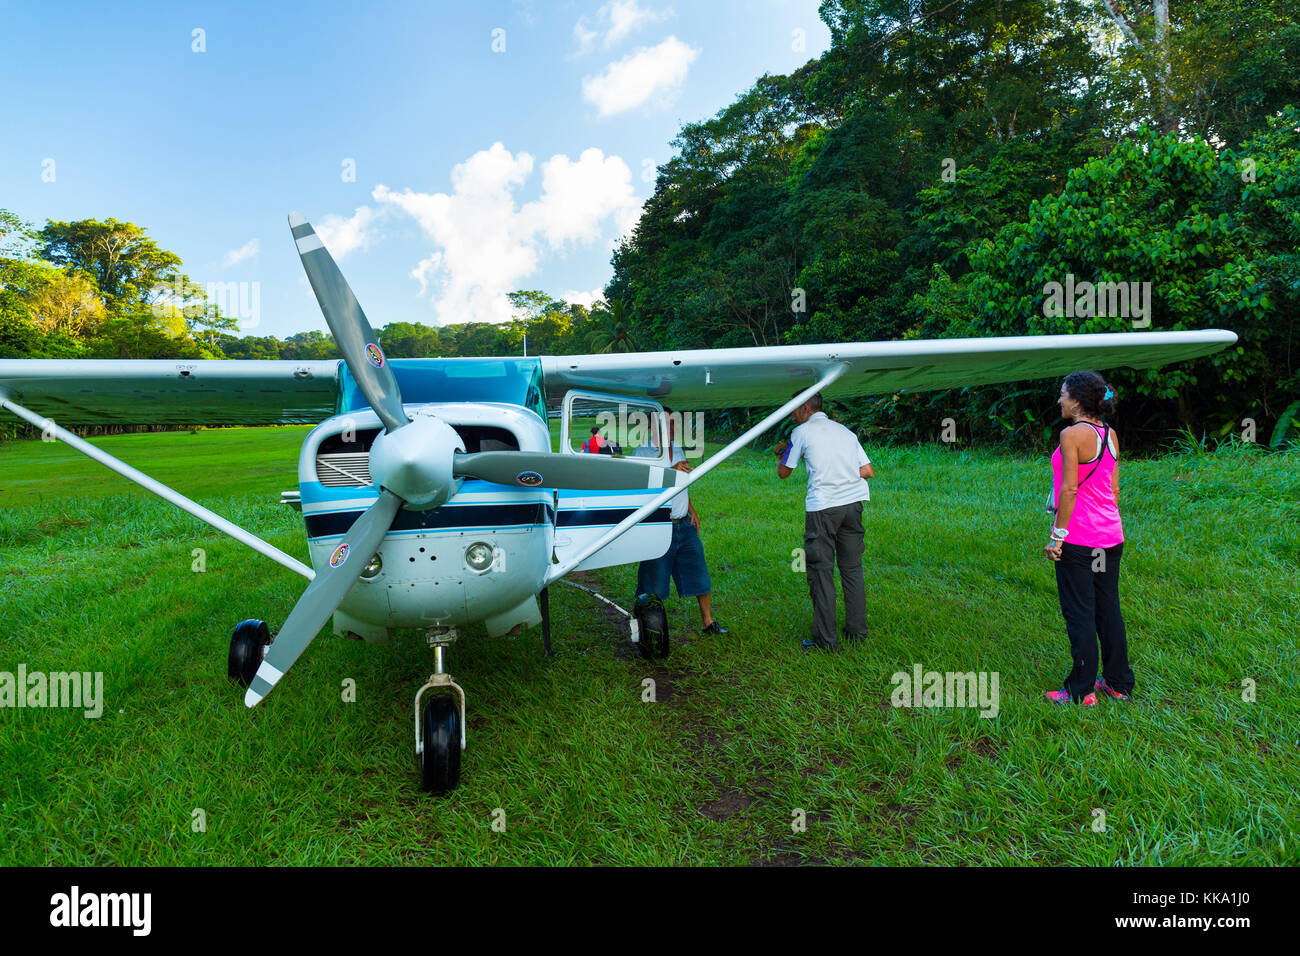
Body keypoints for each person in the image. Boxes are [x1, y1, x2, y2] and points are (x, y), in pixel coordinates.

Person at [1044, 370, 1135, 706]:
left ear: (1077, 401)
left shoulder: (1072, 435)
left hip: (1079, 540)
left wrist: (1058, 536)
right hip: (1109, 537)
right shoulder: (1109, 434)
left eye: (1063, 394)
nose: (1059, 400)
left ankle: (1081, 690)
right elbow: (1113, 489)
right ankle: (1119, 683)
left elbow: (1069, 488)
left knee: (1080, 611)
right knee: (1107, 608)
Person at [774, 390, 874, 652]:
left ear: (805, 408)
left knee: (821, 572)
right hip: (853, 506)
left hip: (823, 510)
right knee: (852, 569)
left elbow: (784, 472)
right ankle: (857, 632)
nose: (792, 415)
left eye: (794, 410)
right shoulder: (845, 432)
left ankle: (826, 642)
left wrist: (780, 455)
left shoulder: (801, 433)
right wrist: (843, 473)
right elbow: (868, 471)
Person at [633, 408, 728, 635]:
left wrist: (691, 508)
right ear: (654, 427)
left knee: (699, 572)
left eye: (674, 424)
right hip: (658, 526)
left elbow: (682, 482)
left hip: (684, 524)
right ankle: (647, 627)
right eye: (668, 424)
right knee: (653, 583)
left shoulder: (676, 448)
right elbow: (639, 487)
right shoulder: (641, 452)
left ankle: (707, 622)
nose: (674, 428)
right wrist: (669, 471)